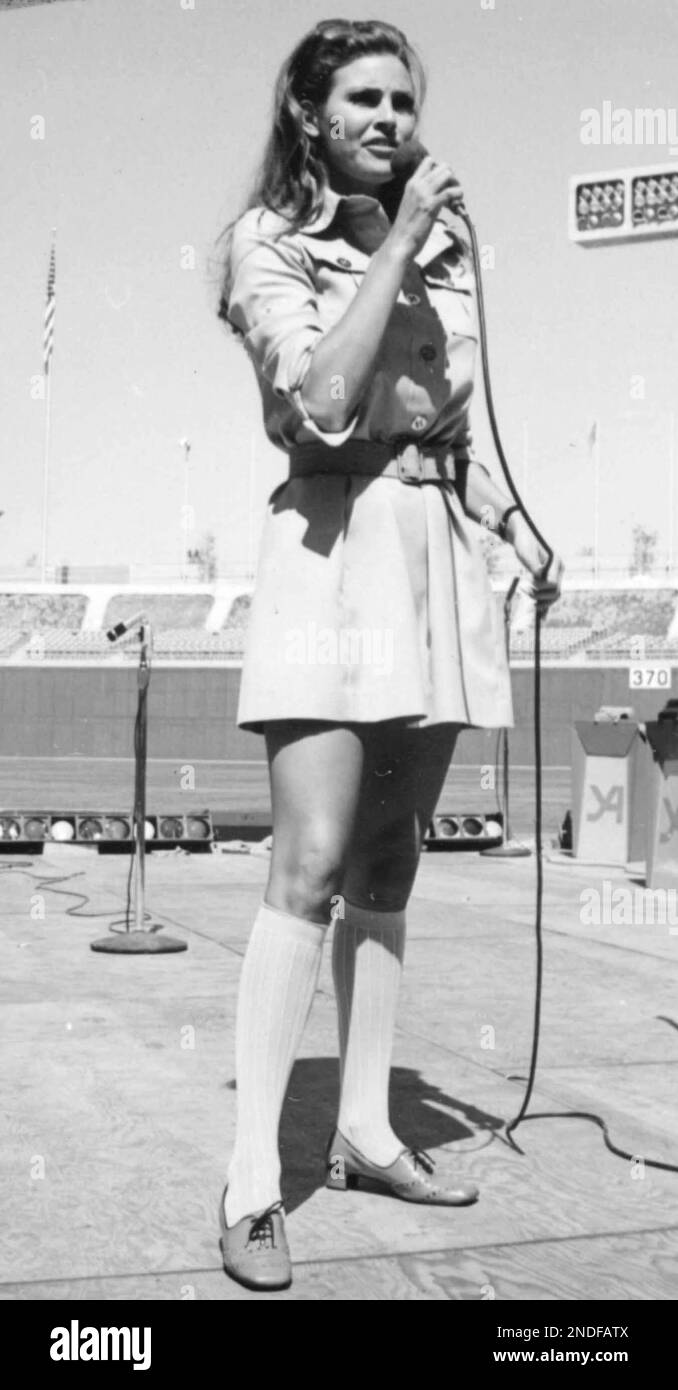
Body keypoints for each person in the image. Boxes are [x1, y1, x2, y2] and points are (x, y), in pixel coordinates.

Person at [215, 17, 563, 1292]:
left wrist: (517, 530)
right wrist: (403, 241)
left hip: (434, 553)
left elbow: (454, 431)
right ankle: (254, 1172)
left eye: (403, 100)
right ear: (309, 112)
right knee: (306, 861)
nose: (389, 118)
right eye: (361, 97)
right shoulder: (269, 242)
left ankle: (365, 1127)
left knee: (388, 857)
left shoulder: (450, 250)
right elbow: (319, 402)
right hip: (330, 547)